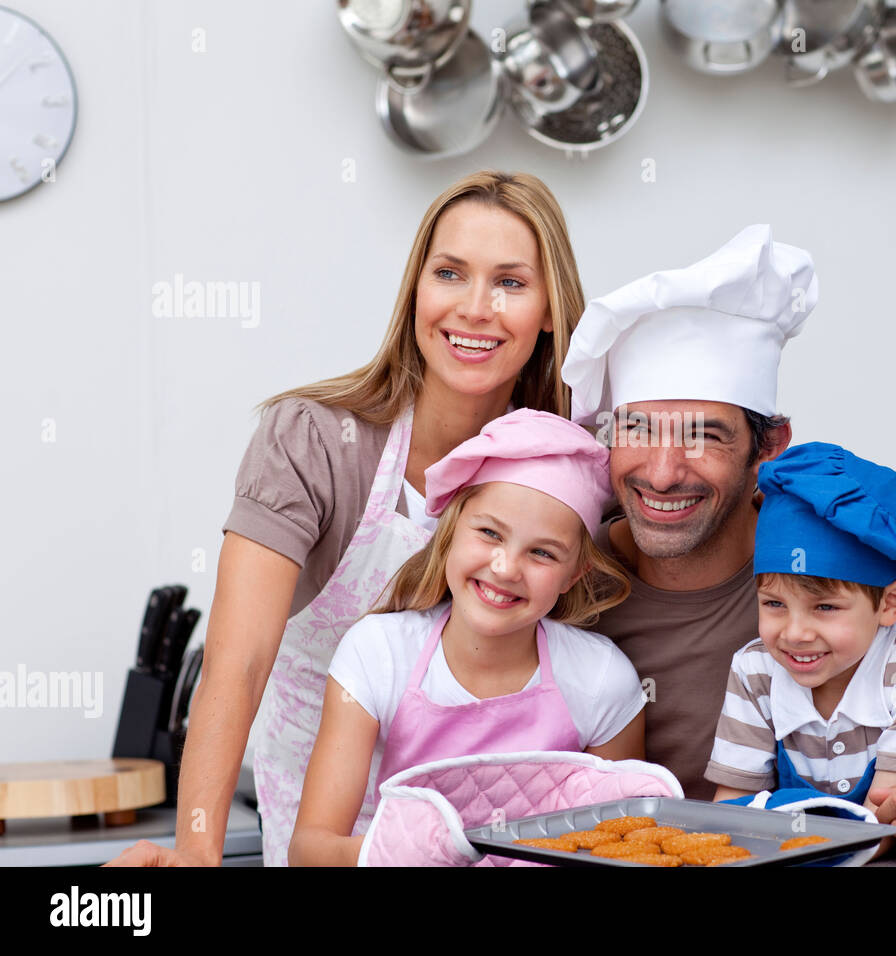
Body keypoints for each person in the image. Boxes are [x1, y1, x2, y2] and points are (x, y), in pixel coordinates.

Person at [107, 170, 587, 867]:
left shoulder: (566, 464)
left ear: (550, 309)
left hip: (496, 844)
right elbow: (237, 663)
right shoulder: (310, 441)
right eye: (450, 273)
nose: (476, 308)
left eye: (510, 283)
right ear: (416, 290)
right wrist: (197, 848)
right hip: (324, 847)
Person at [560, 224, 896, 859]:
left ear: (769, 447)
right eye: (637, 429)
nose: (661, 472)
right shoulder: (559, 572)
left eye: (705, 437)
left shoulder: (836, 564)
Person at [289, 410, 645, 865]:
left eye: (542, 552)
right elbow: (309, 851)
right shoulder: (378, 654)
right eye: (489, 533)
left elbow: (623, 847)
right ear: (452, 528)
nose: (505, 567)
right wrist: (409, 854)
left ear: (575, 574)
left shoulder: (601, 679)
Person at [706, 442, 896, 861]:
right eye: (774, 604)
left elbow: (880, 826)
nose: (795, 633)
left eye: (825, 607)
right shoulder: (755, 669)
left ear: (891, 603)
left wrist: (760, 827)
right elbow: (729, 812)